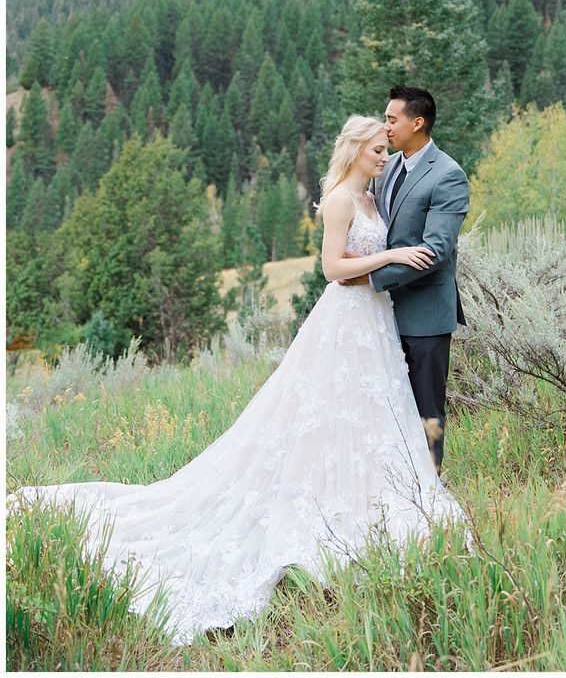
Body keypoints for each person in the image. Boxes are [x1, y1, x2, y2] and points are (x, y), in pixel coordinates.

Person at [9, 115, 465, 646]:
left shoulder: (374, 195)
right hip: (345, 319)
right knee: (325, 410)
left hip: (376, 322)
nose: (385, 157)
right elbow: (333, 269)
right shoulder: (342, 198)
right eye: (376, 149)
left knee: (370, 413)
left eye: (387, 149)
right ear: (354, 151)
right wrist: (390, 254)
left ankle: (372, 497)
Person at [344, 86, 470, 473]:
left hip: (426, 315)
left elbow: (434, 251)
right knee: (385, 405)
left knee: (427, 410)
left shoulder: (448, 175)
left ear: (417, 123)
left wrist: (369, 277)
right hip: (381, 315)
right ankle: (391, 482)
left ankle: (429, 487)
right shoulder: (389, 167)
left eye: (392, 119)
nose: (386, 128)